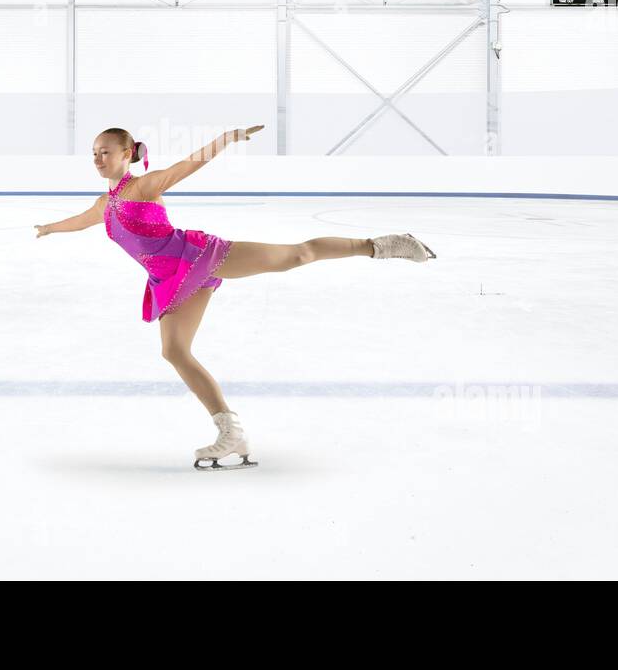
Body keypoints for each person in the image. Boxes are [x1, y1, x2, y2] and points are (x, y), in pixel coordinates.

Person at [34, 125, 435, 470]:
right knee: (175, 351)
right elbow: (80, 221)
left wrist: (223, 140)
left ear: (127, 153)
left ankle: (384, 245)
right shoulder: (104, 204)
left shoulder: (144, 185)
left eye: (105, 151)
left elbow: (187, 166)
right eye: (94, 153)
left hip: (197, 257)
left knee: (295, 255)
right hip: (169, 279)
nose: (98, 158)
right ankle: (232, 433)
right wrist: (50, 227)